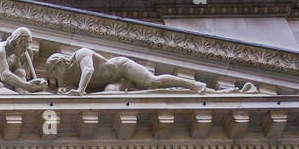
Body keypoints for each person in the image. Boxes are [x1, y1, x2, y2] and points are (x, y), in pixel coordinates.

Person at [44, 48, 207, 94]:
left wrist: (80, 90)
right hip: (113, 82)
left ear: (61, 63)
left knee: (152, 81)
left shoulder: (81, 54)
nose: (57, 77)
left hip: (121, 68)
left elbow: (88, 70)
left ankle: (193, 85)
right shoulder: (64, 77)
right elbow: (62, 93)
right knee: (110, 94)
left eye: (55, 72)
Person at [0, 27, 46, 93]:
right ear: (18, 42)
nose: (25, 51)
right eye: (24, 47)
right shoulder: (0, 51)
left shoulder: (15, 57)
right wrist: (28, 86)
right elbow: (5, 75)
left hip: (3, 85)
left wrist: (35, 85)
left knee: (20, 72)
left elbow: (21, 76)